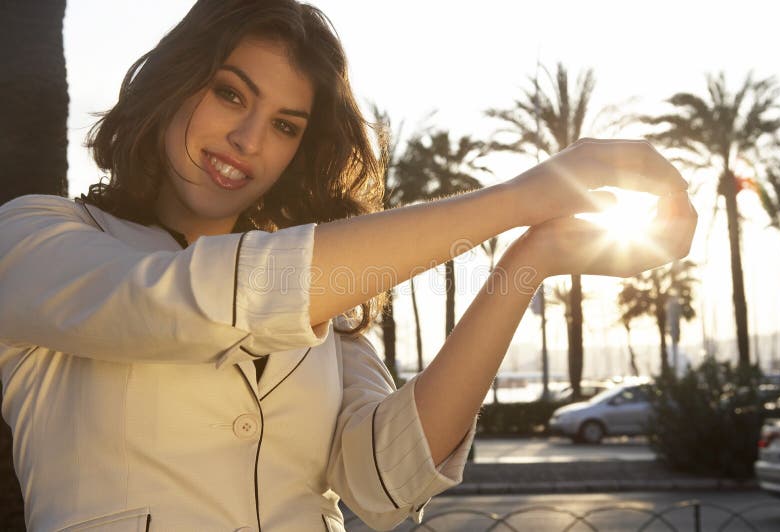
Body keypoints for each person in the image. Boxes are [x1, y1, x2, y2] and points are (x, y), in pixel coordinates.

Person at [0, 0, 697, 530]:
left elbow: (383, 478)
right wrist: (518, 197)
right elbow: (175, 301)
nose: (246, 140)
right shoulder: (37, 236)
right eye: (231, 93)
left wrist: (530, 258)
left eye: (284, 125)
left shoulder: (324, 306)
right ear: (175, 84)